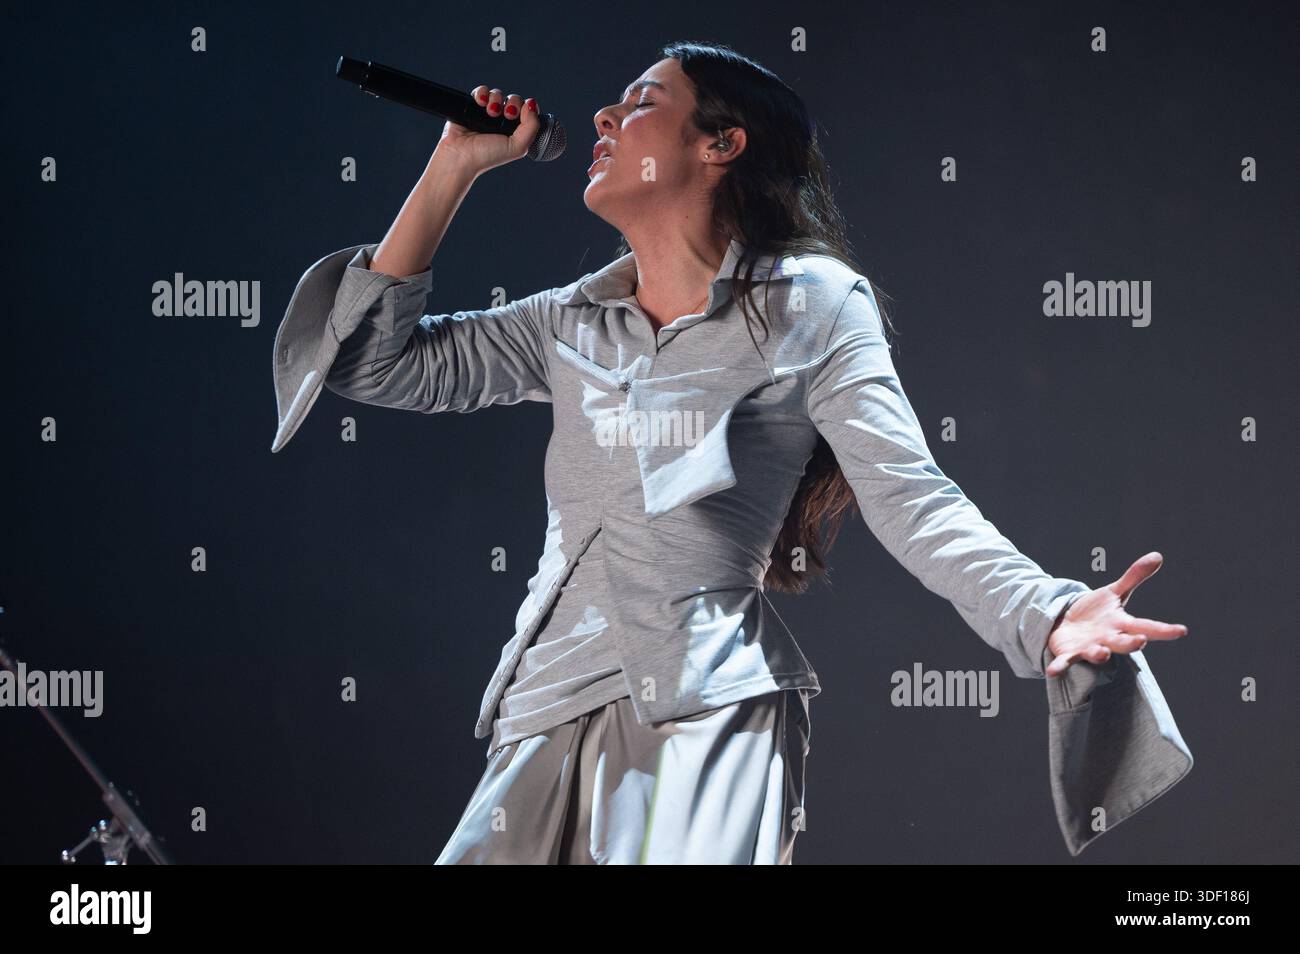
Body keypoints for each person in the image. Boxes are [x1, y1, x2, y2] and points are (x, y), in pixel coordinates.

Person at [270, 41, 1193, 864]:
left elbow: (912, 497)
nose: (603, 114)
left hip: (705, 712)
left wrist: (1046, 613)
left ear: (722, 144)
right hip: (543, 708)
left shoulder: (814, 303)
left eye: (641, 100)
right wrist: (453, 166)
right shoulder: (567, 322)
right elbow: (363, 361)